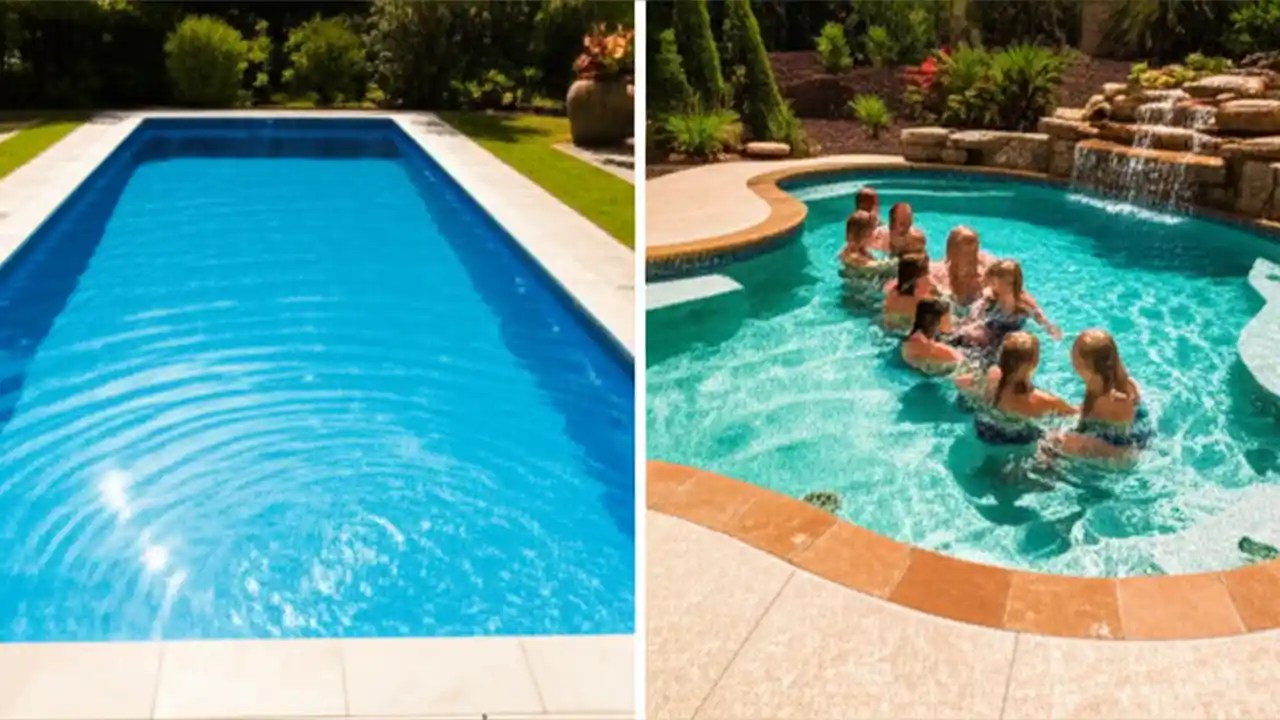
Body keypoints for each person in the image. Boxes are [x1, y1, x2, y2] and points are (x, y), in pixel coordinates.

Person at [1048, 329, 1153, 460]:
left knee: (1053, 443)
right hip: (1133, 431)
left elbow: (1125, 444)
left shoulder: (1114, 399)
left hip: (1124, 450)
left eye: (1074, 355)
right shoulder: (1117, 381)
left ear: (1083, 365)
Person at [956, 333, 1077, 445]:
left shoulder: (989, 375)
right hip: (1017, 443)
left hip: (982, 431)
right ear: (1035, 362)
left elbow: (963, 382)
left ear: (1001, 357)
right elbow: (1075, 415)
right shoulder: (1041, 400)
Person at [953, 260, 1061, 360]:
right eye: (996, 280)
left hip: (1011, 334)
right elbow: (975, 317)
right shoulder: (991, 297)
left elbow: (1041, 318)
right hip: (993, 329)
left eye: (1005, 282)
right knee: (967, 339)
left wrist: (1051, 329)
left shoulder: (1023, 302)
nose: (994, 284)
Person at [931, 226, 996, 309]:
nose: (973, 261)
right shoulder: (936, 275)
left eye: (974, 254)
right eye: (966, 255)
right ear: (951, 255)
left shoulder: (988, 271)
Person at [901, 298, 964, 375]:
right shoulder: (927, 346)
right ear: (937, 321)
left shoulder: (914, 338)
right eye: (950, 316)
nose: (953, 319)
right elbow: (959, 360)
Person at [839, 210, 896, 289]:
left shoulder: (857, 247)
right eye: (873, 232)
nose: (876, 235)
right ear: (865, 236)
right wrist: (897, 260)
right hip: (858, 293)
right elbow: (876, 267)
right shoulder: (853, 256)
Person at [883, 252, 935, 333]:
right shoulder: (922, 303)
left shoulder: (891, 293)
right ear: (916, 280)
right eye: (927, 272)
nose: (929, 275)